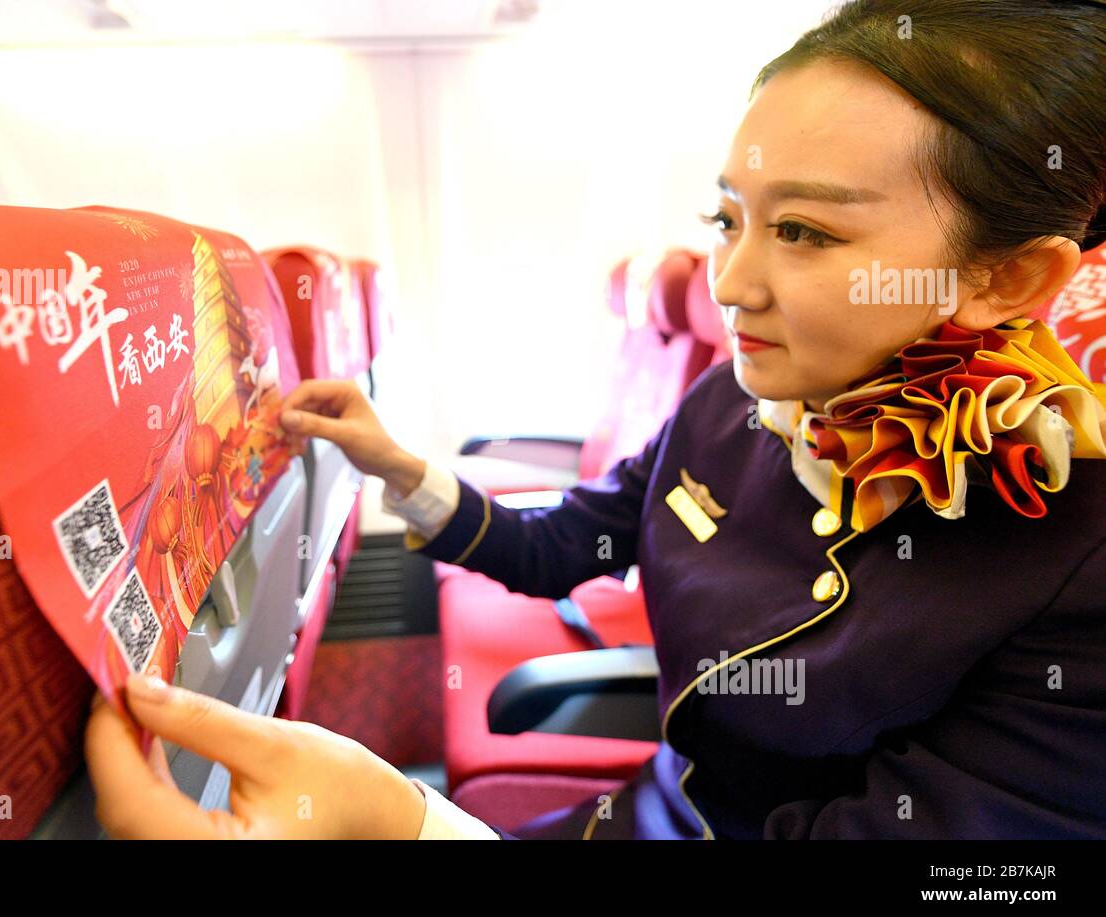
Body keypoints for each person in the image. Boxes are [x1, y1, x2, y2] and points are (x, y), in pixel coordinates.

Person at [84, 0, 1106, 839]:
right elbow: (571, 542)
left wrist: (405, 823)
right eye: (727, 219)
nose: (731, 283)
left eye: (803, 230)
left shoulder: (1074, 568)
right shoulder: (736, 403)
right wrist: (396, 464)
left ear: (1005, 276)